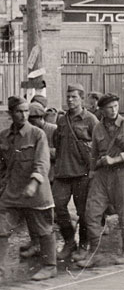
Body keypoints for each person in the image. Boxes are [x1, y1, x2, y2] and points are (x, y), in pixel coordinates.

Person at [76, 93, 124, 268]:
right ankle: (94, 254)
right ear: (102, 110)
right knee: (91, 213)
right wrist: (91, 173)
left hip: (122, 174)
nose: (113, 110)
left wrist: (115, 159)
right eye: (109, 108)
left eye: (115, 107)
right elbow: (94, 154)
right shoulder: (98, 127)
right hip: (102, 175)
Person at [0, 97, 57, 282]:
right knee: (1, 228)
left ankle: (50, 267)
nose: (24, 115)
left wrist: (33, 184)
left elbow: (42, 163)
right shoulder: (4, 136)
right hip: (13, 193)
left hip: (36, 192)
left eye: (26, 111)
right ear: (10, 113)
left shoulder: (37, 134)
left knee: (44, 230)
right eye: (19, 111)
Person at [53, 83, 99, 261]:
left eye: (74, 97)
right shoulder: (61, 119)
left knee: (83, 212)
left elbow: (98, 145)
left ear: (82, 98)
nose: (70, 100)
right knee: (58, 207)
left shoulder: (90, 120)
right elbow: (57, 141)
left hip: (82, 173)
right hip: (63, 172)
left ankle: (83, 245)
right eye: (68, 97)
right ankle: (69, 241)